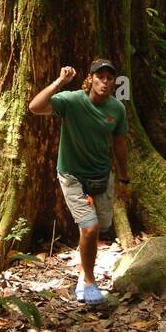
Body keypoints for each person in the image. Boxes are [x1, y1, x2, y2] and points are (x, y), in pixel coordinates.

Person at [28, 59, 129, 304]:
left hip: (102, 176)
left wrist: (124, 176)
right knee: (90, 227)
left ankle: (84, 271)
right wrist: (60, 82)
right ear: (91, 79)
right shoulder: (72, 101)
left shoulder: (117, 109)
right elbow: (35, 107)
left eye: (109, 78)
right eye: (100, 77)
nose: (105, 82)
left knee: (100, 227)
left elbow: (119, 143)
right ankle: (88, 283)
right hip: (72, 176)